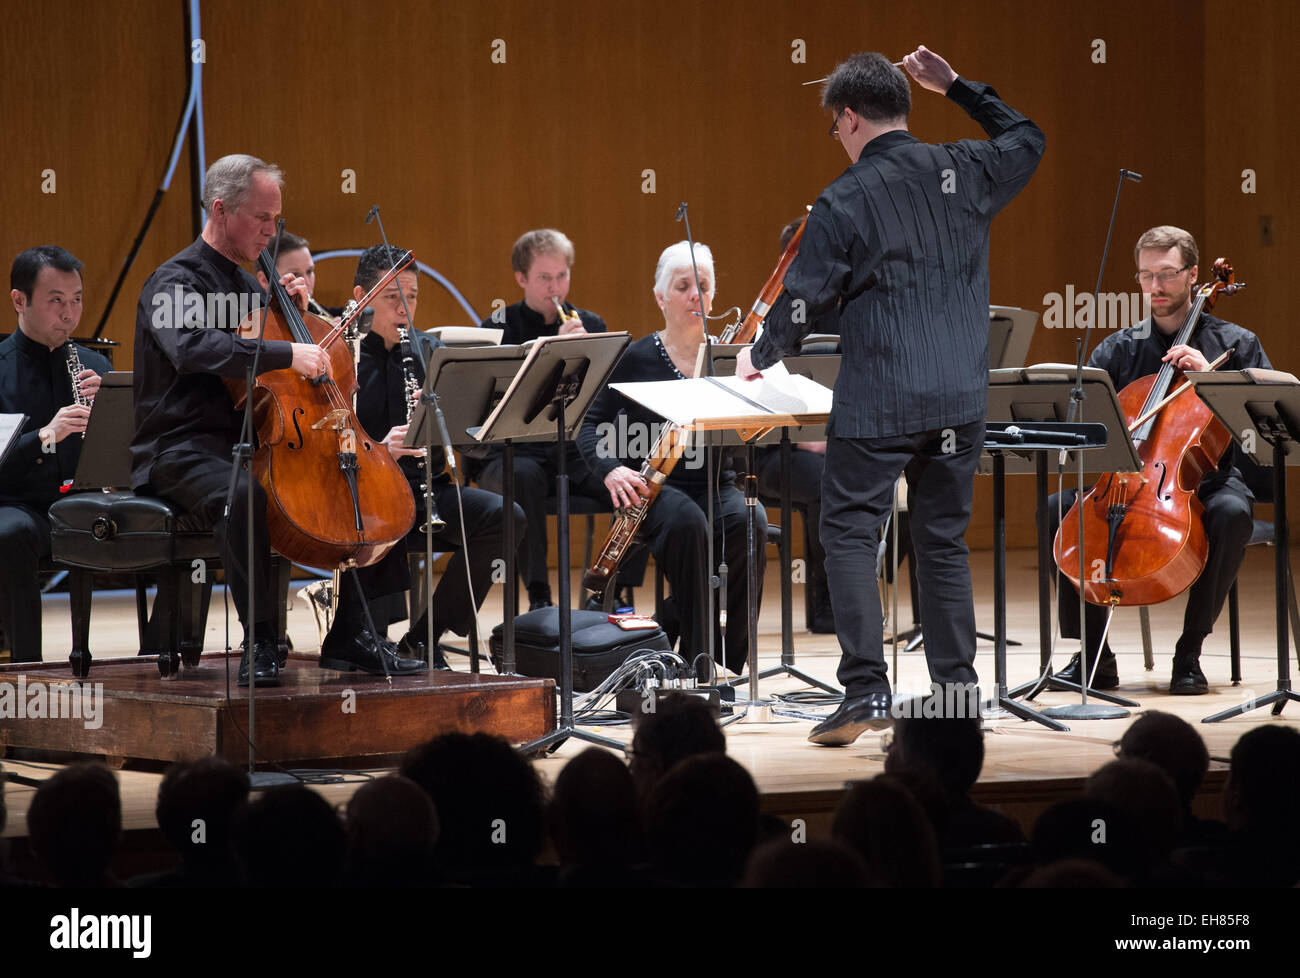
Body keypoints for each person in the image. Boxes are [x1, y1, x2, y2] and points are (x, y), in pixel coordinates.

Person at [737, 47, 1044, 744]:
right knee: (942, 543)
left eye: (833, 128)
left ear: (848, 117)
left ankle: (866, 692)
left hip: (881, 398)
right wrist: (958, 87)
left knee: (848, 532)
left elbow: (804, 299)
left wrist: (758, 354)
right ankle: (956, 695)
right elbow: (1029, 138)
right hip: (959, 398)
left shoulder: (843, 199)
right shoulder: (966, 167)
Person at [131, 153, 361, 686]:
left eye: (275, 219)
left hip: (251, 443)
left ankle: (356, 636)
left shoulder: (251, 287)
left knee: (348, 476)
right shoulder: (173, 281)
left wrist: (288, 313)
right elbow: (192, 348)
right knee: (243, 494)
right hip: (179, 450)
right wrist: (287, 351)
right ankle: (262, 639)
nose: (271, 231)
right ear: (220, 210)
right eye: (261, 218)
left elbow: (271, 380)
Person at [1048, 225, 1270, 695]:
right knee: (1056, 510)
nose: (1155, 286)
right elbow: (1081, 422)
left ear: (1193, 275)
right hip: (1126, 483)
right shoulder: (1118, 349)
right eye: (1146, 276)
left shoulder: (1235, 344)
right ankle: (1095, 656)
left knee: (1232, 514)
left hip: (1206, 482)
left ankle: (1189, 653)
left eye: (1167, 274)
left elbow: (1265, 425)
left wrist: (1212, 381)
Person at [578, 241, 766, 676]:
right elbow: (588, 425)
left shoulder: (728, 359)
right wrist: (611, 469)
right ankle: (698, 666)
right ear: (661, 297)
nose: (696, 295)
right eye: (683, 286)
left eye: (704, 286)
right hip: (655, 489)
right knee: (689, 523)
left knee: (750, 523)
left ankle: (726, 661)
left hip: (716, 485)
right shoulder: (636, 358)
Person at [343, 243, 524, 667]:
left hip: (428, 491)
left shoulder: (432, 354)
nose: (404, 308)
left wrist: (453, 417)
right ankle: (361, 638)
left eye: (412, 296)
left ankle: (425, 635)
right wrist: (381, 450)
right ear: (361, 298)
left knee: (505, 517)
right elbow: (326, 437)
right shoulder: (343, 354)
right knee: (384, 515)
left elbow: (475, 442)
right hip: (364, 494)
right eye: (393, 296)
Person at [475, 229, 613, 610]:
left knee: (632, 486)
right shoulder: (498, 327)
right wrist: (553, 351)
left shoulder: (591, 324)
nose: (556, 287)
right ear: (521, 278)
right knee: (523, 478)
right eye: (544, 278)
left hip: (573, 449)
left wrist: (585, 352)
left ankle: (607, 591)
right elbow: (493, 403)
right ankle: (539, 595)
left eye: (562, 276)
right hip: (515, 450)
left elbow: (603, 399)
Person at [1, 246, 110, 661]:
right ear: (19, 300)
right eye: (56, 301)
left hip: (86, 504)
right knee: (9, 532)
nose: (69, 314)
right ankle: (27, 663)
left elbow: (132, 452)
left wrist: (112, 416)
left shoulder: (96, 366)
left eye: (76, 299)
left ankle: (158, 657)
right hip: (20, 506)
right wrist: (46, 436)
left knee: (174, 517)